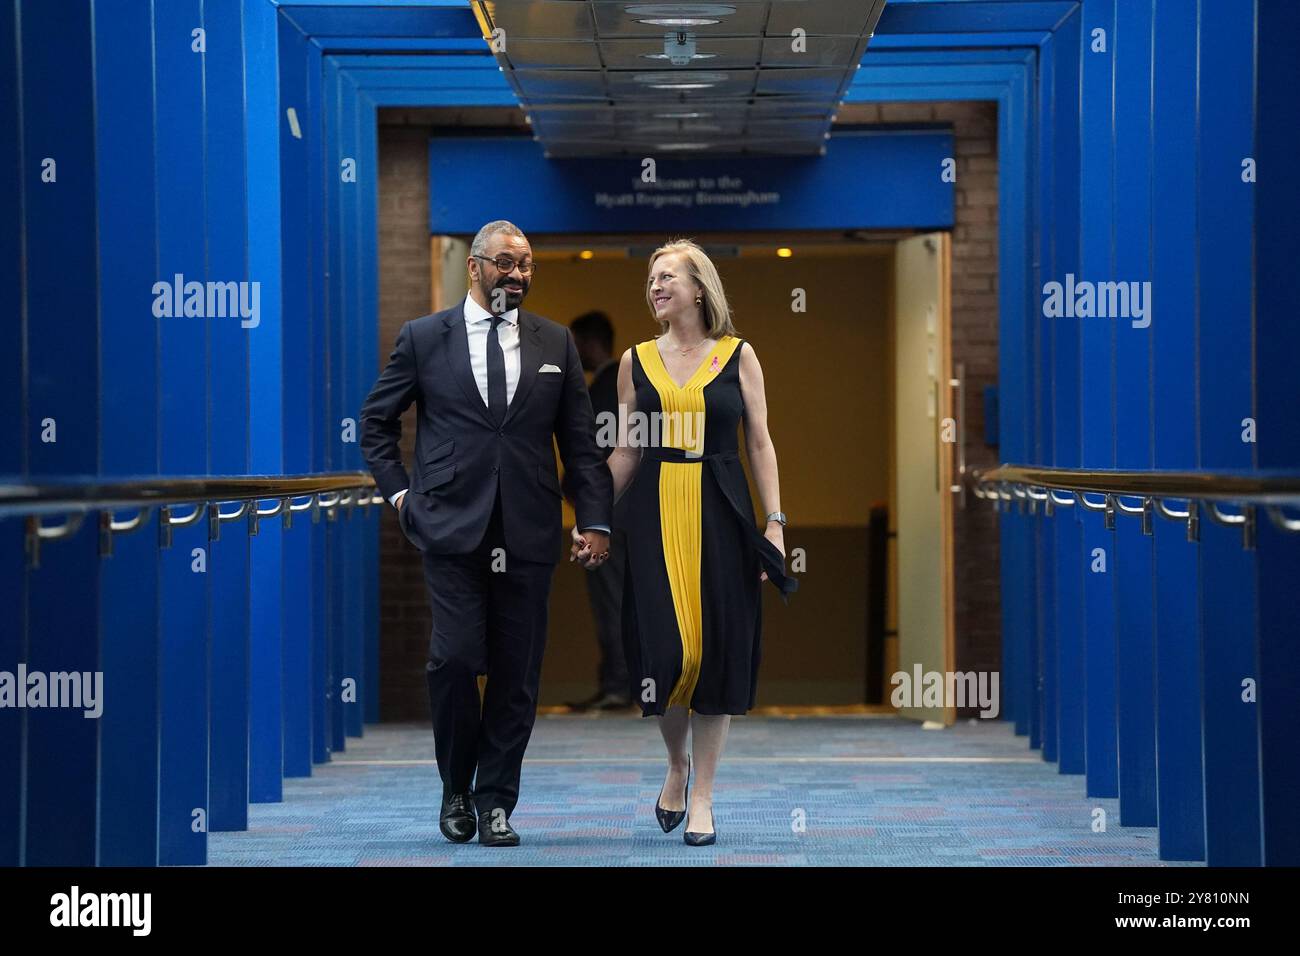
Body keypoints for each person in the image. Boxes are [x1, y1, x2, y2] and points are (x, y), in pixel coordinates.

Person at [361, 220, 613, 847]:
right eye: (506, 263)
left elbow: (581, 448)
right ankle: (456, 787)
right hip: (450, 529)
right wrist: (401, 495)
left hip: (527, 531)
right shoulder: (423, 338)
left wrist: (594, 519)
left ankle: (496, 799)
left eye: (526, 264)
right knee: (453, 659)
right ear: (474, 268)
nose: (518, 275)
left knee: (516, 672)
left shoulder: (556, 342)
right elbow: (376, 423)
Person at [572, 238, 797, 846]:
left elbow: (759, 443)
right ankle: (676, 763)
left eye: (667, 276)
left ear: (700, 288)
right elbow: (626, 449)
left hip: (722, 509)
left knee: (716, 653)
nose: (655, 286)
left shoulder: (737, 355)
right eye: (650, 277)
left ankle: (703, 797)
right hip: (651, 513)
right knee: (668, 656)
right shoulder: (634, 361)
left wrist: (774, 523)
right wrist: (593, 517)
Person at [567, 311, 632, 712]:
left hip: (609, 512)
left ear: (589, 343)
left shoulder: (607, 387)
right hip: (624, 510)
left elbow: (590, 449)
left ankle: (619, 685)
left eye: (575, 342)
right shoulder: (627, 382)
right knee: (619, 597)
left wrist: (578, 497)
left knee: (611, 598)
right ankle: (619, 683)